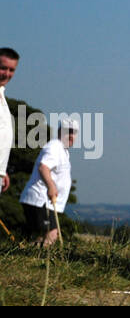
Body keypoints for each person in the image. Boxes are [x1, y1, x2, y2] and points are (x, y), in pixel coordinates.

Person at [20, 117, 76, 247]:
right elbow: (43, 167)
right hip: (40, 200)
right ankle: (34, 259)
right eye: (68, 132)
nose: (71, 136)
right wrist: (51, 186)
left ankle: (30, 254)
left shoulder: (63, 150)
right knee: (51, 235)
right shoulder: (54, 147)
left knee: (46, 236)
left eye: (73, 133)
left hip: (45, 202)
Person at [0, 48, 18, 194]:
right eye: (3, 68)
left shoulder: (2, 94)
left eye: (11, 70)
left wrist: (2, 171)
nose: (7, 74)